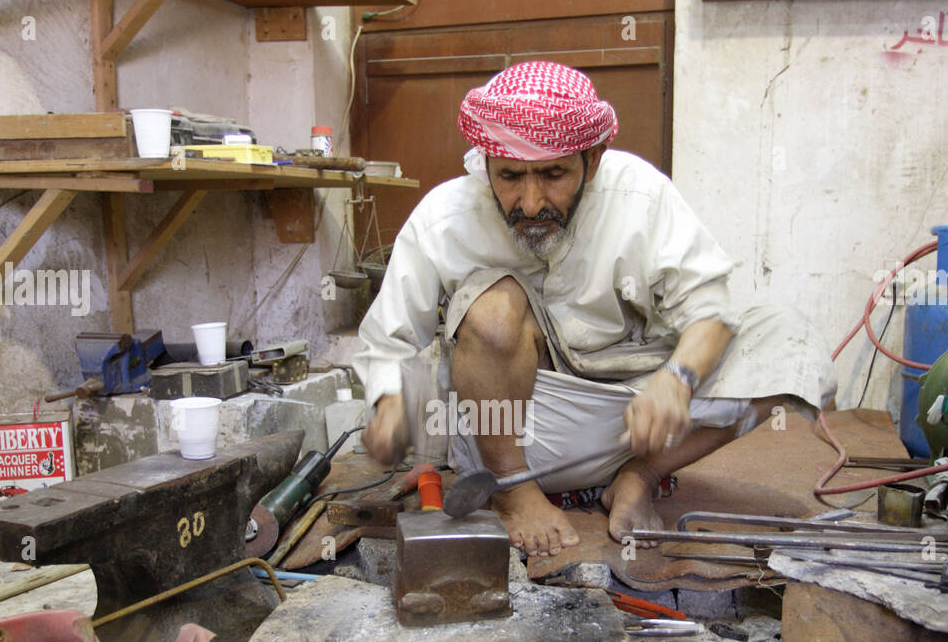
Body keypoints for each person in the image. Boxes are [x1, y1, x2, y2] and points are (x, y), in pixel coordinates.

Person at [354, 61, 836, 557]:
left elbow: (708, 304)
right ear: (486, 164)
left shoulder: (639, 195)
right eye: (510, 176)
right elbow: (390, 341)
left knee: (789, 338)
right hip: (508, 427)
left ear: (595, 157)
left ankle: (640, 476)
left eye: (554, 174)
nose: (532, 201)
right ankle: (516, 492)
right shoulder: (446, 217)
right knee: (493, 309)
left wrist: (676, 381)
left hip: (634, 420)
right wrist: (391, 408)